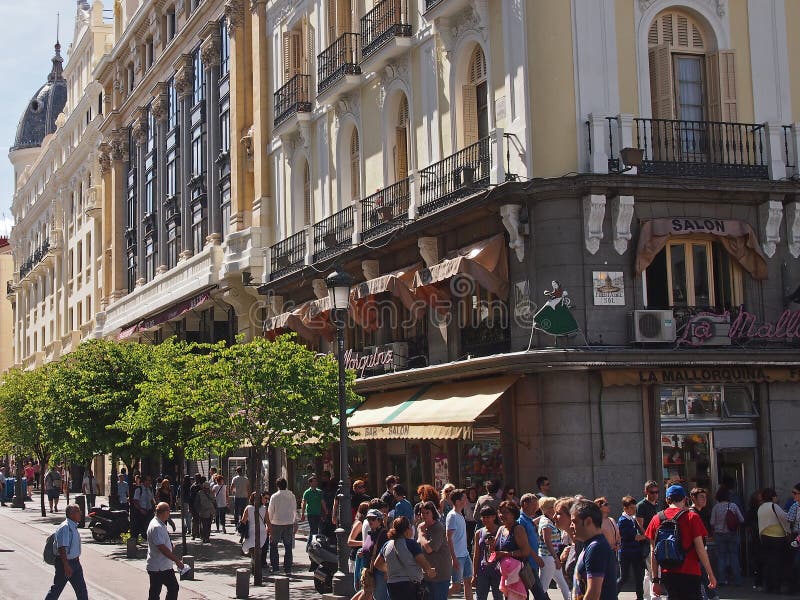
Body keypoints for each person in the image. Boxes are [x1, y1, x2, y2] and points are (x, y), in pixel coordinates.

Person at [645, 484, 717, 600]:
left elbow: (653, 552)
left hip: (668, 571)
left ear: (667, 500)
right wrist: (710, 574)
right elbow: (700, 549)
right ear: (684, 499)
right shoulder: (692, 517)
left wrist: (655, 580)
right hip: (691, 571)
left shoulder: (657, 518)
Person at [374, 516, 436, 599]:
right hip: (410, 585)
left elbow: (377, 564)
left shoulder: (387, 545)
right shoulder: (411, 544)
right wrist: (430, 571)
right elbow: (423, 563)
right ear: (407, 530)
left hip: (392, 585)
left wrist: (390, 570)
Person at [570, 499, 619, 600]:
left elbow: (593, 593)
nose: (571, 526)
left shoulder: (596, 547)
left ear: (588, 521)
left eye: (574, 522)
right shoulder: (590, 545)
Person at [45, 504, 88, 600]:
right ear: (71, 514)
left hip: (75, 563)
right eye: (78, 511)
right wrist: (66, 565)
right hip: (65, 563)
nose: (80, 513)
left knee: (82, 591)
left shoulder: (73, 526)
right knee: (56, 589)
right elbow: (62, 548)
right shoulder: (65, 527)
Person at [146, 502, 184, 600]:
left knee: (168, 589)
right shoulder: (157, 526)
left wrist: (170, 546)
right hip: (159, 567)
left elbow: (161, 543)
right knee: (161, 591)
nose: (169, 514)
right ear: (165, 512)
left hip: (162, 565)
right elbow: (161, 547)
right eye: (169, 511)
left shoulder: (158, 523)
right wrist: (176, 560)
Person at [756, 487, 790, 594]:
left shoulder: (761, 507)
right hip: (777, 537)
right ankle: (777, 586)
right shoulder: (774, 506)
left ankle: (768, 586)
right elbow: (786, 518)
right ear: (773, 497)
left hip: (765, 537)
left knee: (769, 562)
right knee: (778, 563)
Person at [709, 486, 744, 587]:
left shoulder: (716, 507)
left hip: (719, 534)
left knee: (721, 557)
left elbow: (712, 522)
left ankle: (722, 579)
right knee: (734, 556)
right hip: (732, 533)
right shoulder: (733, 506)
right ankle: (737, 580)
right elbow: (741, 519)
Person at [538, 496, 571, 600]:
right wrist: (556, 558)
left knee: (563, 584)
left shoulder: (545, 519)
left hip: (550, 557)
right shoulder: (546, 523)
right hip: (548, 558)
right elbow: (547, 541)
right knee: (543, 587)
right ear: (549, 509)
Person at [418, 501, 451, 600]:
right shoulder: (422, 526)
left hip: (440, 574)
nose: (424, 515)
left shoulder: (438, 527)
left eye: (427, 512)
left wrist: (421, 534)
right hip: (427, 574)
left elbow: (429, 549)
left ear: (433, 513)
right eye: (422, 513)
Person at [446, 489, 474, 600]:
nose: (466, 500)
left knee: (468, 582)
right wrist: (454, 558)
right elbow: (448, 538)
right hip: (457, 556)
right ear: (458, 502)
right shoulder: (452, 516)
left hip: (465, 554)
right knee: (456, 586)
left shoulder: (460, 515)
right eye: (464, 498)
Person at [617, 496, 647, 600]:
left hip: (636, 552)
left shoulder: (632, 519)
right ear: (625, 508)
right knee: (624, 577)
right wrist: (647, 536)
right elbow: (634, 537)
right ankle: (611, 594)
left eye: (635, 507)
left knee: (639, 577)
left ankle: (640, 597)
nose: (634, 510)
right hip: (626, 552)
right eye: (631, 508)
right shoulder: (623, 520)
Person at [636, 480, 661, 599]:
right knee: (653, 571)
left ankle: (646, 596)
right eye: (652, 492)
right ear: (646, 492)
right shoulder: (641, 505)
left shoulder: (657, 505)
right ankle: (655, 596)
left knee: (648, 571)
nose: (655, 494)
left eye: (657, 492)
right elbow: (640, 525)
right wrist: (649, 537)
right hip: (648, 542)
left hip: (656, 540)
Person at [267, 477, 297, 574]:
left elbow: (271, 511)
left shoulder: (274, 496)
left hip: (276, 523)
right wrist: (295, 522)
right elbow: (294, 509)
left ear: (277, 486)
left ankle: (275, 568)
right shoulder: (292, 496)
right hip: (288, 522)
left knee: (273, 545)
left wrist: (268, 524)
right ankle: (288, 569)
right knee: (288, 547)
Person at [472, 506, 502, 600]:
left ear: (494, 517)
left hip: (498, 570)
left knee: (498, 596)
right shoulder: (479, 533)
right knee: (480, 597)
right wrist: (474, 574)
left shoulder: (500, 530)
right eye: (483, 517)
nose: (485, 520)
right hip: (483, 570)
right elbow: (476, 554)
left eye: (488, 517)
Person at [241, 491, 269, 564]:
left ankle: (254, 561)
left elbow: (243, 521)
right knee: (259, 547)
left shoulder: (248, 508)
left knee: (252, 548)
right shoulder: (264, 508)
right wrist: (271, 532)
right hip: (262, 531)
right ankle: (258, 562)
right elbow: (268, 522)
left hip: (251, 531)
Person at [300, 475, 327, 548]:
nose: (316, 483)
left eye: (316, 481)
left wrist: (325, 510)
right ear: (310, 483)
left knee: (315, 530)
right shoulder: (307, 492)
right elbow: (304, 503)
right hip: (310, 513)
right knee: (313, 530)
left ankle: (310, 545)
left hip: (318, 513)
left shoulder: (319, 492)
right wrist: (302, 514)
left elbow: (322, 502)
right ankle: (311, 545)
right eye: (314, 481)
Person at [134, 475, 156, 540]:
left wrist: (154, 508)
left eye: (150, 480)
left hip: (149, 511)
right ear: (144, 481)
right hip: (141, 511)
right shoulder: (139, 489)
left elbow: (152, 500)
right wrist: (140, 509)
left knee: (149, 526)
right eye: (147, 480)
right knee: (141, 527)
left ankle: (149, 539)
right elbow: (135, 501)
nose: (149, 482)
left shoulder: (150, 489)